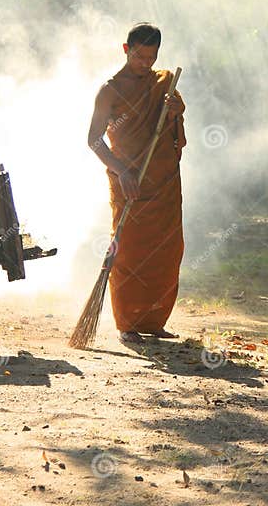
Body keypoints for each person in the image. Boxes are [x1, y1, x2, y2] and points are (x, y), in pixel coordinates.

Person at [87, 23, 186, 345]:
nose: (146, 63)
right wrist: (122, 171)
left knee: (167, 251)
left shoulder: (164, 82)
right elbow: (94, 140)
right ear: (126, 50)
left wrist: (175, 110)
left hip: (162, 180)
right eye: (140, 56)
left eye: (152, 57)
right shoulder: (110, 90)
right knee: (129, 251)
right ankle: (128, 323)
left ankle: (154, 321)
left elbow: (175, 129)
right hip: (128, 181)